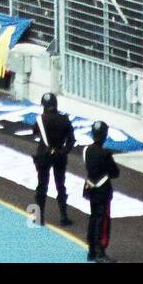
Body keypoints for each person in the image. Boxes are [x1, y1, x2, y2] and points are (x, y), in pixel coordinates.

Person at [32, 92, 75, 227]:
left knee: (42, 185)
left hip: (44, 154)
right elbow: (71, 140)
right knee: (60, 185)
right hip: (59, 156)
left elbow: (34, 131)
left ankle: (39, 217)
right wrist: (63, 151)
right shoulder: (65, 120)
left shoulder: (41, 120)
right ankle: (63, 216)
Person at [83, 120, 120, 263]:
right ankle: (100, 251)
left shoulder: (87, 150)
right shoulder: (105, 154)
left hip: (91, 188)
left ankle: (91, 249)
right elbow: (115, 173)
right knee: (102, 220)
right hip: (103, 190)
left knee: (93, 218)